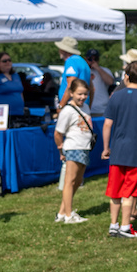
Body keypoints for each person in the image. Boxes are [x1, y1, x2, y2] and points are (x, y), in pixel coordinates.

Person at [101, 60, 137, 238]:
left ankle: (113, 225)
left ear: (126, 76)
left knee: (115, 190)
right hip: (136, 150)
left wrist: (106, 147)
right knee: (130, 190)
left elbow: (107, 124)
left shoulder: (115, 96)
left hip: (117, 149)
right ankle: (125, 227)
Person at [53, 79, 93, 224]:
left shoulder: (86, 107)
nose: (82, 97)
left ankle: (62, 212)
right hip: (73, 147)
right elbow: (58, 133)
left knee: (77, 181)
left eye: (85, 94)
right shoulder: (67, 111)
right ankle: (69, 215)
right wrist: (61, 149)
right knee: (69, 181)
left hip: (85, 147)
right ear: (71, 93)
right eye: (79, 94)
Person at [0, 51, 27, 121]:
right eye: (4, 61)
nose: (8, 62)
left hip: (18, 113)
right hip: (1, 116)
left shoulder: (15, 76)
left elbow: (20, 92)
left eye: (9, 60)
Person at [56, 38, 92, 111]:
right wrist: (88, 107)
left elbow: (70, 85)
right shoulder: (83, 62)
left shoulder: (71, 61)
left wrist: (61, 106)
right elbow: (92, 88)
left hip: (72, 106)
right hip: (82, 106)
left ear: (64, 50)